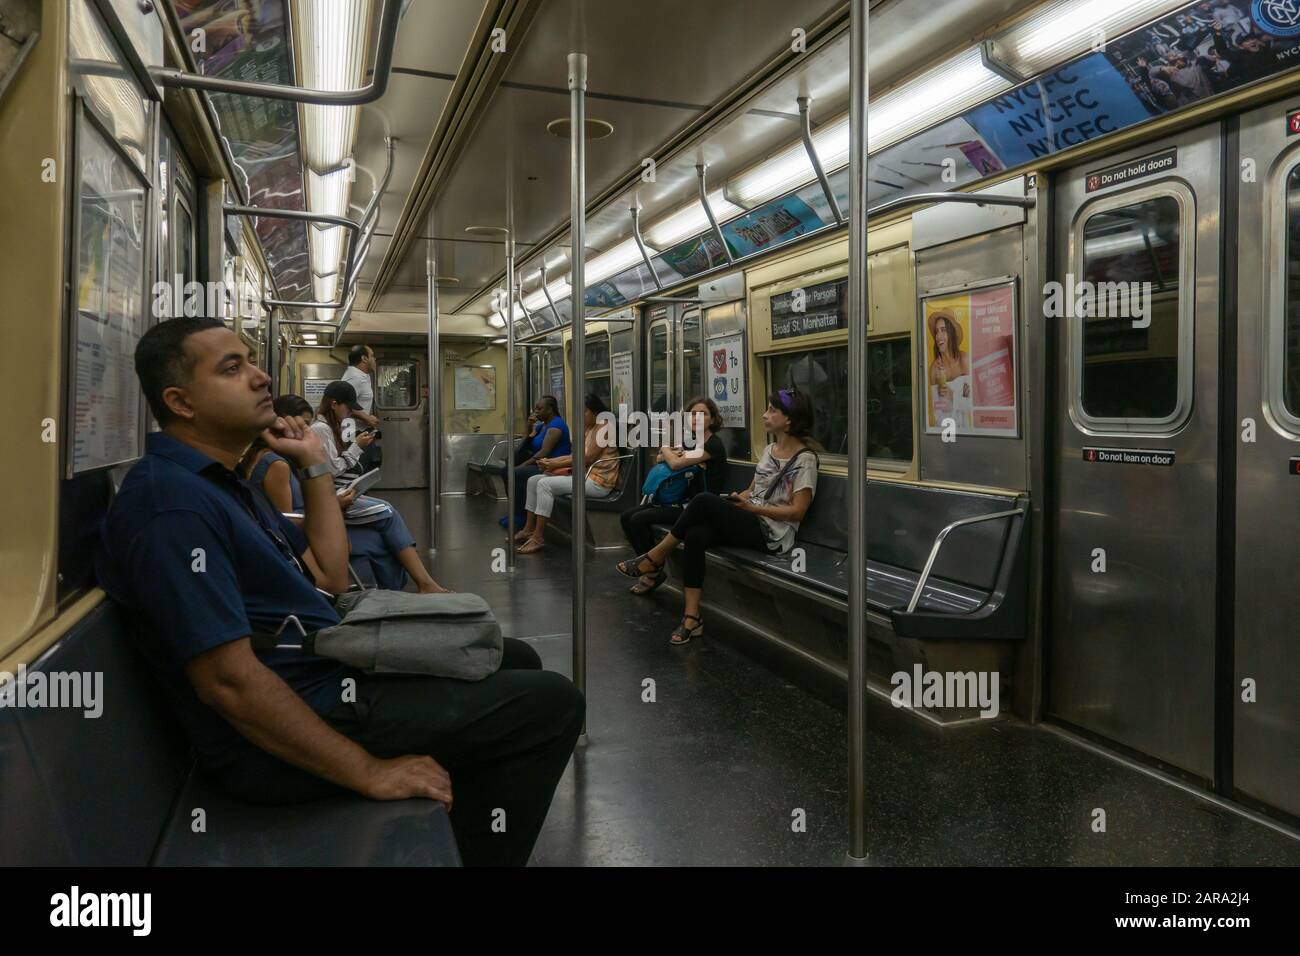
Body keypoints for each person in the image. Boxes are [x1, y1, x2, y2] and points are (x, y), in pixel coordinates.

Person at [96, 316, 583, 866]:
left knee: (510, 654)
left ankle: (457, 814)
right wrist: (368, 770)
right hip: (280, 728)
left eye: (252, 361)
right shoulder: (173, 508)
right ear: (181, 402)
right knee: (553, 704)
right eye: (233, 368)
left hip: (320, 671)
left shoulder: (222, 483)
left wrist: (313, 463)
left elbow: (327, 574)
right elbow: (228, 682)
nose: (259, 377)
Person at [615, 388, 816, 646]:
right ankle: (692, 617)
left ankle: (655, 557)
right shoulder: (768, 450)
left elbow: (798, 511)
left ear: (789, 419)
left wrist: (753, 509)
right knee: (696, 535)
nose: (765, 415)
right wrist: (740, 499)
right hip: (750, 516)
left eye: (771, 410)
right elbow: (754, 491)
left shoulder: (805, 460)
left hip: (772, 534)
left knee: (702, 501)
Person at [241, 394, 449, 594]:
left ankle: (417, 586)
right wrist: (332, 507)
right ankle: (413, 587)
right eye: (300, 426)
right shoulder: (277, 465)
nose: (304, 433)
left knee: (382, 536)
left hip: (314, 522)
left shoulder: (269, 457)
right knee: (384, 533)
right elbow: (284, 526)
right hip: (311, 534)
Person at [619, 396, 728, 595]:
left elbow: (675, 463)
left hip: (698, 509)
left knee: (639, 520)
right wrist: (667, 452)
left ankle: (651, 569)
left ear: (712, 419)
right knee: (627, 517)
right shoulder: (692, 443)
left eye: (703, 414)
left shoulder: (712, 445)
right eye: (693, 414)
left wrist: (666, 449)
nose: (696, 418)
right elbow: (660, 459)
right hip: (679, 502)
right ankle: (652, 570)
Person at [515, 394, 621, 555]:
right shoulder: (589, 428)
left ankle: (538, 537)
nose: (581, 416)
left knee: (544, 485)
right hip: (585, 476)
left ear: (596, 412)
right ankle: (529, 529)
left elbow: (587, 458)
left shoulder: (604, 427)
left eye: (584, 412)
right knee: (533, 480)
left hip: (598, 482)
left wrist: (555, 464)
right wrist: (550, 461)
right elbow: (575, 454)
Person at [499, 395, 572, 529]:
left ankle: (522, 516)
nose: (536, 412)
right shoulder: (541, 426)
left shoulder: (556, 426)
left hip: (550, 465)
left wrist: (523, 465)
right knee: (506, 471)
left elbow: (545, 452)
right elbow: (526, 442)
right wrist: (529, 425)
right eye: (535, 409)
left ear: (550, 410)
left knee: (516, 474)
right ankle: (516, 510)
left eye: (539, 409)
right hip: (539, 463)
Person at [311, 379, 374, 477]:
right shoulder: (320, 429)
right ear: (334, 404)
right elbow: (334, 470)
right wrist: (356, 446)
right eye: (348, 408)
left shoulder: (333, 426)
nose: (350, 413)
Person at [927, 309, 971, 428]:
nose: (938, 336)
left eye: (943, 330)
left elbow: (971, 406)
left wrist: (951, 396)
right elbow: (938, 413)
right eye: (936, 331)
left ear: (951, 333)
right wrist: (960, 399)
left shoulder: (964, 359)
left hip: (967, 432)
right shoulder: (935, 369)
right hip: (947, 433)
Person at [342, 344, 381, 470]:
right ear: (364, 359)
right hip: (353, 433)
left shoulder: (362, 376)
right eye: (372, 356)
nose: (374, 359)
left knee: (366, 468)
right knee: (358, 470)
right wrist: (367, 418)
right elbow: (344, 402)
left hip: (359, 430)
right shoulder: (355, 378)